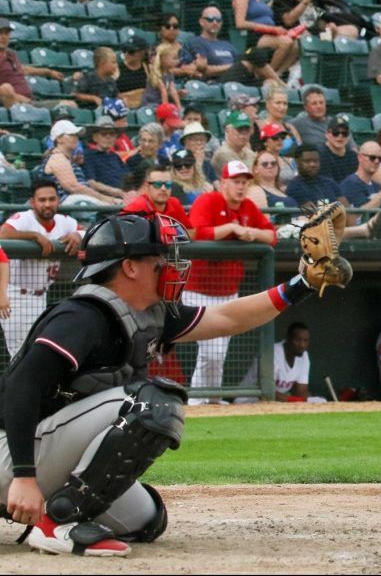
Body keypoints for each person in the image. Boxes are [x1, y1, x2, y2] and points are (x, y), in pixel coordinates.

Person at [0, 210, 334, 555]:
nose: (169, 264)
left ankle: (58, 511)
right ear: (130, 267)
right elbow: (20, 387)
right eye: (158, 257)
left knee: (146, 520)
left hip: (46, 449)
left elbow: (227, 317)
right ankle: (56, 526)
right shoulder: (83, 315)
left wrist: (303, 283)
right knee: (150, 401)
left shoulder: (148, 312)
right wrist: (24, 477)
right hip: (11, 455)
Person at [185, 161, 278, 406]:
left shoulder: (248, 206)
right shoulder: (209, 200)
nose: (240, 186)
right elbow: (194, 232)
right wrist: (230, 229)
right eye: (236, 181)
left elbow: (271, 236)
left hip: (228, 291)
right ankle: (199, 402)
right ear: (223, 182)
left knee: (217, 354)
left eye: (244, 182)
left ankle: (210, 401)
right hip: (197, 291)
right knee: (211, 353)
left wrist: (251, 233)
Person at [0, 181, 81, 356]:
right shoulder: (24, 218)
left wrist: (76, 235)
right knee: (20, 355)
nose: (47, 204)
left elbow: (87, 232)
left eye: (52, 199)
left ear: (58, 201)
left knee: (37, 352)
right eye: (42, 200)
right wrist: (34, 236)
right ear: (33, 202)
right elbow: (3, 233)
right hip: (15, 296)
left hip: (41, 296)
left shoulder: (64, 221)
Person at [232, 0, 300, 78]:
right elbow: (240, 23)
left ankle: (277, 74)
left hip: (270, 35)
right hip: (255, 36)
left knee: (296, 45)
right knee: (285, 42)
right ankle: (266, 77)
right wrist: (272, 29)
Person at [239, 322, 325, 403]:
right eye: (298, 340)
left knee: (319, 402)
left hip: (276, 401)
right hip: (248, 399)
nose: (302, 345)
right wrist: (295, 401)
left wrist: (311, 401)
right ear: (288, 338)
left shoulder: (304, 356)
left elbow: (301, 392)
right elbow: (267, 392)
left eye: (306, 340)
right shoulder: (272, 353)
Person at [122, 165, 193, 231]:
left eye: (168, 184)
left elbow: (190, 231)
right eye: (157, 184)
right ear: (147, 186)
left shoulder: (174, 203)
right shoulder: (135, 208)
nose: (163, 188)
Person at [82, 116, 129, 199]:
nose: (108, 137)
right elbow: (91, 183)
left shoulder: (115, 157)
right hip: (104, 200)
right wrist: (116, 192)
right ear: (95, 137)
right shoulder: (88, 155)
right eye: (103, 134)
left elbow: (127, 179)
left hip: (123, 197)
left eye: (112, 134)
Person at [317, 117, 358, 182]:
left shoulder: (352, 156)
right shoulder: (320, 155)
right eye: (335, 132)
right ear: (327, 134)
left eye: (344, 133)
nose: (340, 136)